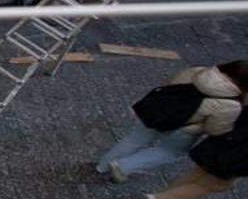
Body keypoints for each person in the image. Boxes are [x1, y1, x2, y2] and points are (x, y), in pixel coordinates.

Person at [97, 60, 246, 182]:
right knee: (168, 152)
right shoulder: (231, 105)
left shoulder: (199, 70)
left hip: (158, 113)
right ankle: (123, 166)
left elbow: (169, 84)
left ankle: (102, 166)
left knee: (133, 140)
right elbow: (214, 129)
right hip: (183, 129)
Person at [142, 124, 248, 199]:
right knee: (214, 185)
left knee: (197, 174)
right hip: (237, 159)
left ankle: (168, 193)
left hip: (224, 143)